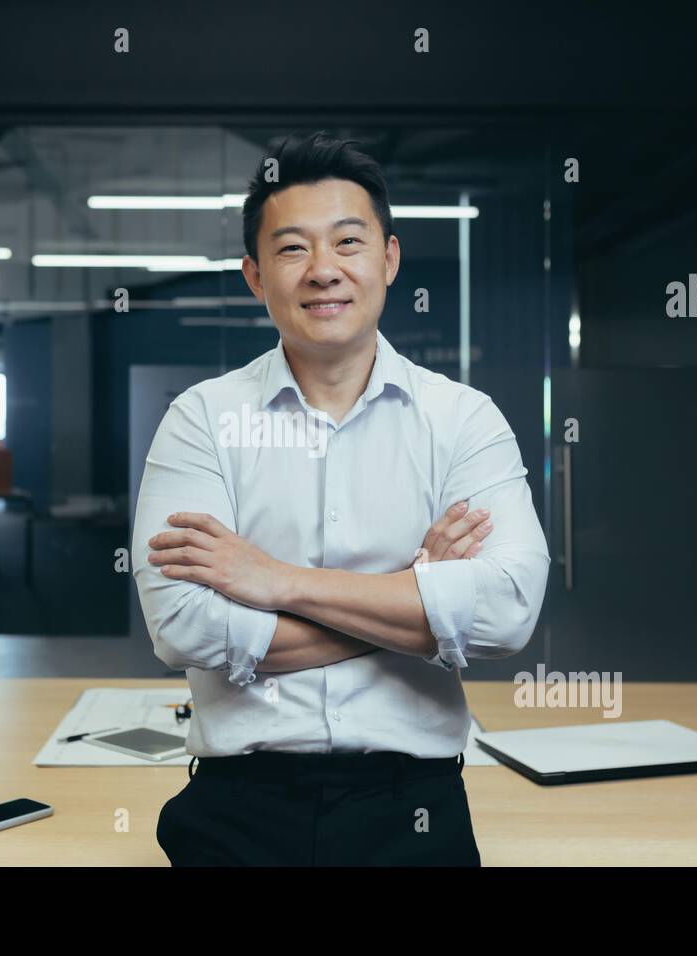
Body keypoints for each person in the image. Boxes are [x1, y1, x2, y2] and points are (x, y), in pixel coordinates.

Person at [132, 129, 551, 866]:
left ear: (388, 259)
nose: (323, 270)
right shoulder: (200, 418)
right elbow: (183, 626)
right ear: (256, 277)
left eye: (348, 242)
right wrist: (414, 600)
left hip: (414, 811)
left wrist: (277, 581)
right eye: (292, 249)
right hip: (238, 812)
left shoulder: (463, 420)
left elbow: (508, 610)